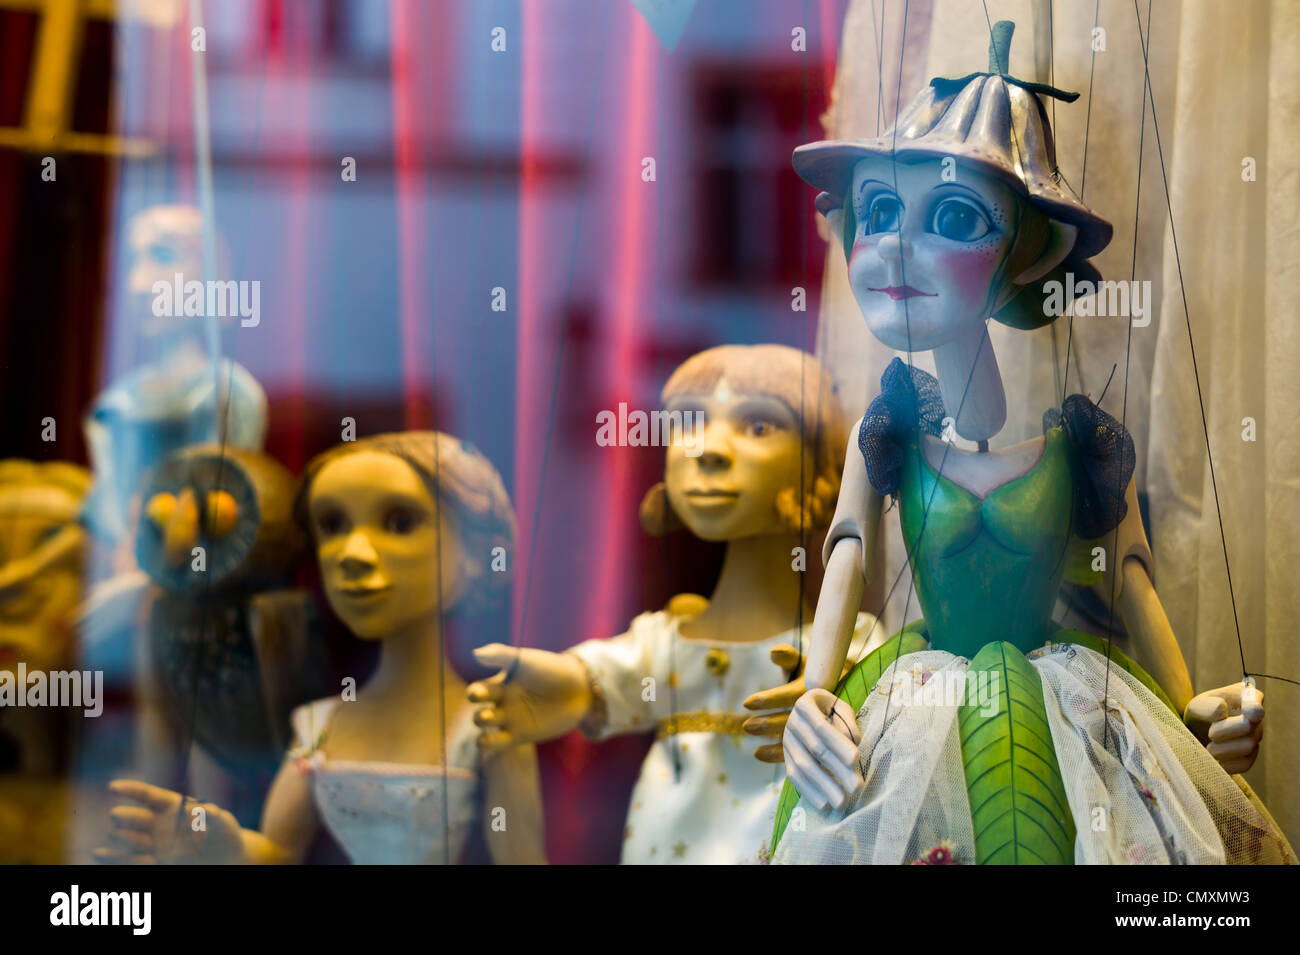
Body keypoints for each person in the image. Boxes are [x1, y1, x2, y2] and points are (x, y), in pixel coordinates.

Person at [772, 21, 1293, 865]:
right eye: (877, 212)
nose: (896, 246)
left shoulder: (1080, 443)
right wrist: (814, 694)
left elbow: (1130, 575)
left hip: (1063, 706)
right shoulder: (895, 426)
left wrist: (1198, 712)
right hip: (911, 708)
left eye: (951, 216)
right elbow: (849, 548)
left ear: (1030, 248)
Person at [469, 345, 881, 864]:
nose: (708, 450)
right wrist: (569, 684)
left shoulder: (856, 641)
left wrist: (836, 693)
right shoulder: (667, 638)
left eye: (759, 426)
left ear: (820, 466)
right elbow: (605, 674)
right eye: (689, 422)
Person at [97, 432, 545, 864]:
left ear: (472, 553)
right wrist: (228, 851)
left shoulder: (491, 726)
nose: (351, 552)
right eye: (332, 525)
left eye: (400, 522)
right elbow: (278, 852)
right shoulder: (319, 727)